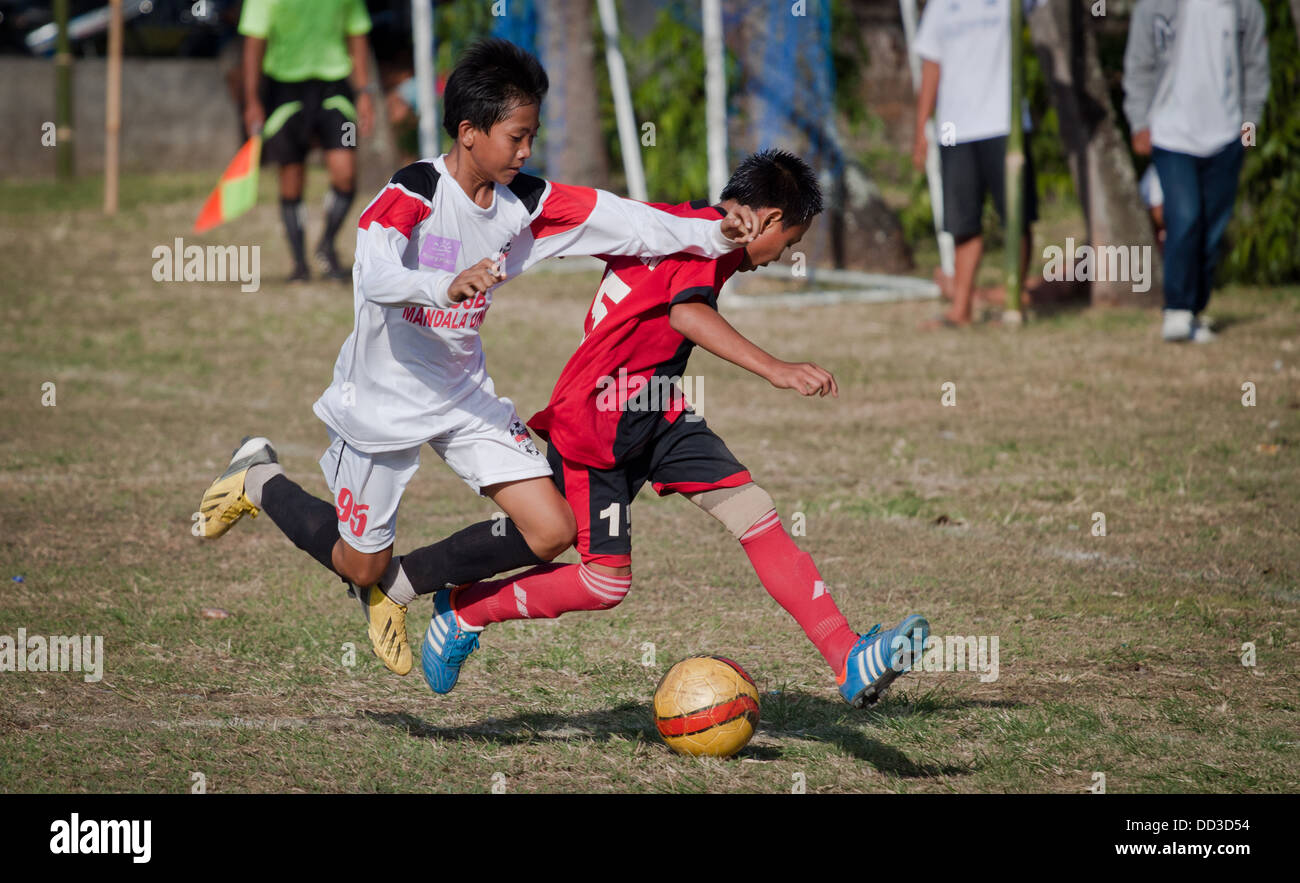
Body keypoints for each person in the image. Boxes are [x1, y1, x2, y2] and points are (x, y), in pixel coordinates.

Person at [196, 39, 759, 677]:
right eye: (517, 137)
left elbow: (625, 220)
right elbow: (373, 271)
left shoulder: (525, 205)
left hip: (464, 398)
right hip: (382, 403)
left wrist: (713, 230)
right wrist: (442, 284)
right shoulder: (413, 192)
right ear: (469, 132)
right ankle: (258, 480)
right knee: (359, 564)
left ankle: (408, 587)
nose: (526, 151)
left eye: (532, 136)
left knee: (552, 530)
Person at [417, 150, 930, 708]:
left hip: (657, 408)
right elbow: (687, 314)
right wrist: (777, 369)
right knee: (598, 579)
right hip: (599, 421)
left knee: (751, 510)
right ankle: (464, 610)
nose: (780, 256)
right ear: (773, 219)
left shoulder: (675, 220)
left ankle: (847, 654)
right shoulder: (710, 240)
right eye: (788, 243)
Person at [1123, 0, 1270, 343]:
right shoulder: (1154, 6)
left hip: (1227, 133)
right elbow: (1139, 65)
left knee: (1212, 228)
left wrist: (1249, 128)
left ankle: (1194, 309)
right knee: (1184, 217)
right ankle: (1176, 308)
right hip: (1171, 132)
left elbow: (1255, 69)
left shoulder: (1245, 9)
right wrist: (1139, 122)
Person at [912, 0, 1038, 328]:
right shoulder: (940, 6)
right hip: (956, 128)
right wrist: (921, 127)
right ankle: (961, 309)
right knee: (962, 222)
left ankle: (1015, 299)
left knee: (1016, 216)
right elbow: (931, 64)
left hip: (1005, 124)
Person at [239, 0, 376, 282]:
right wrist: (252, 99)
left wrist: (363, 92)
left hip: (335, 88)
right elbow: (253, 45)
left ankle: (326, 244)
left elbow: (357, 35)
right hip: (284, 90)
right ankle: (299, 264)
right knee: (291, 175)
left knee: (345, 174)